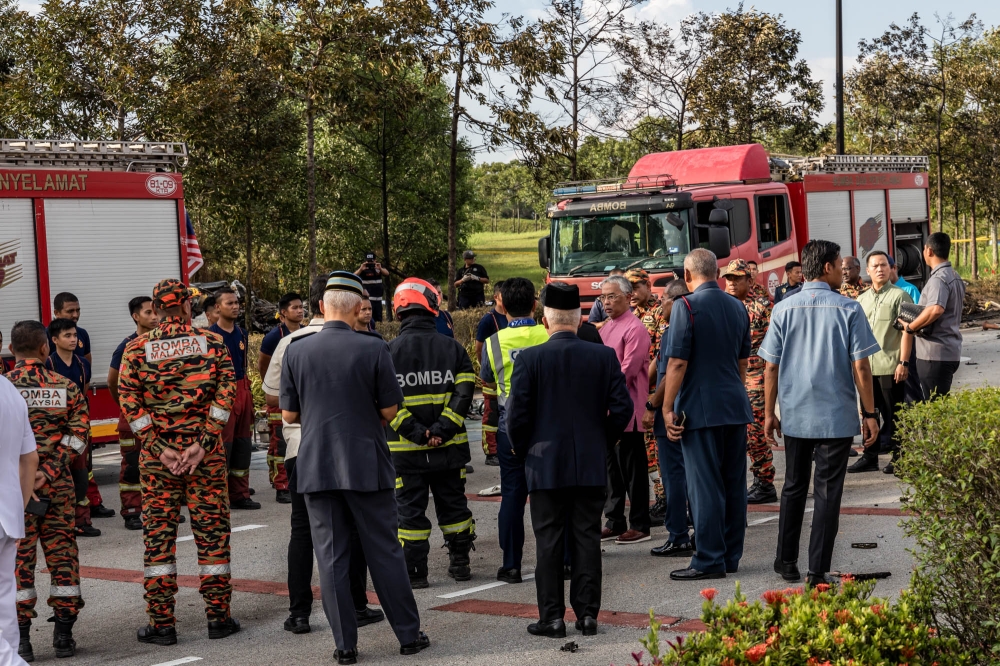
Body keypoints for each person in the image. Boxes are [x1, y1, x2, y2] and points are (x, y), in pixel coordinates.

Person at [280, 271, 429, 664]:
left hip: (316, 465)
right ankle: (408, 636)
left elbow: (289, 414)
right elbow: (390, 410)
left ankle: (345, 646)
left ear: (321, 307)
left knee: (330, 558)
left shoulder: (296, 350)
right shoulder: (373, 347)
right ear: (357, 307)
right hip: (365, 462)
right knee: (384, 552)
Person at [506, 282, 632, 639]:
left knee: (548, 541)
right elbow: (622, 409)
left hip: (544, 463)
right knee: (587, 538)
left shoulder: (530, 359)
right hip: (589, 462)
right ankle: (588, 615)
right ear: (579, 320)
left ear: (545, 321)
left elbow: (516, 417)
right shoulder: (603, 356)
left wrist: (525, 450)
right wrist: (601, 441)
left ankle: (552, 618)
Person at [118, 278, 240, 645]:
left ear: (156, 308)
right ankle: (218, 618)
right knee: (212, 535)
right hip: (206, 459)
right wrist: (203, 444)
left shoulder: (136, 349)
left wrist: (157, 447)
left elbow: (129, 403)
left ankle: (162, 625)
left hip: (160, 464)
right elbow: (225, 395)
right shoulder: (213, 343)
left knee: (158, 539)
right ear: (187, 306)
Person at [263, 276, 384, 637]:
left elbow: (272, 397)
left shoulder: (290, 343)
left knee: (302, 531)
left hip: (301, 449)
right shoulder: (361, 340)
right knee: (355, 529)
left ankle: (299, 613)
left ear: (316, 305)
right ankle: (357, 605)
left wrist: (306, 400)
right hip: (350, 448)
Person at [760, 240, 880, 586]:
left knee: (793, 486)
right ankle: (817, 571)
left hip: (796, 414)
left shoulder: (783, 308)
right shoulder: (849, 308)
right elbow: (861, 367)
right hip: (835, 417)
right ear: (827, 267)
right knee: (828, 493)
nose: (843, 272)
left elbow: (771, 367)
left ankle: (786, 561)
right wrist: (869, 413)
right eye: (840, 266)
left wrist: (769, 413)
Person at [656, 249, 753, 581]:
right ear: (717, 273)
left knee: (705, 486)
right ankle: (729, 555)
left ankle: (709, 558)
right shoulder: (738, 307)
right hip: (734, 404)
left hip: (699, 408)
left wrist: (666, 408)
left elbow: (677, 363)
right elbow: (742, 363)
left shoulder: (686, 306)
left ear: (686, 275)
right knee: (733, 484)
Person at [387, 278, 476, 588]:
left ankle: (415, 573)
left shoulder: (387, 352)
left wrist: (417, 434)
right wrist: (441, 431)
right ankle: (460, 564)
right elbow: (464, 395)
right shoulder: (453, 348)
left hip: (406, 453)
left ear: (399, 311)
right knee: (454, 507)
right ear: (432, 308)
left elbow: (385, 404)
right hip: (448, 449)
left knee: (409, 512)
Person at [7, 321, 88, 661]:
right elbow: (79, 437)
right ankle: (64, 638)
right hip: (58, 489)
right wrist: (49, 471)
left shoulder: (4, 388)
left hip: (13, 491)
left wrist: (24, 475)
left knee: (17, 562)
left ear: (10, 350)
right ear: (45, 348)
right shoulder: (66, 387)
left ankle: (21, 642)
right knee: (63, 557)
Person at [481, 278, 549, 584]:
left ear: (502, 305)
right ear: (535, 304)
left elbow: (488, 382)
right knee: (550, 496)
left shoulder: (494, 342)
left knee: (512, 496)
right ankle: (559, 561)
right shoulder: (548, 334)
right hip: (547, 428)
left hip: (510, 428)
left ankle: (511, 565)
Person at [598, 275, 651, 545]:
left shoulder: (635, 329)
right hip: (607, 410)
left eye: (612, 296)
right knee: (612, 470)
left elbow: (627, 371)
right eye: (603, 297)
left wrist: (600, 391)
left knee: (633, 471)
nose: (606, 302)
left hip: (627, 410)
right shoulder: (606, 328)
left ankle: (640, 523)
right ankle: (614, 520)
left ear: (628, 297)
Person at [851, 251, 914, 476]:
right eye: (875, 266)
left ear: (891, 268)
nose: (880, 269)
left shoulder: (900, 296)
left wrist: (903, 362)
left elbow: (907, 332)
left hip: (890, 366)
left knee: (894, 414)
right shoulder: (861, 299)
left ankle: (900, 457)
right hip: (866, 369)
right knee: (869, 414)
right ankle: (870, 457)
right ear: (867, 270)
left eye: (884, 265)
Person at [646, 279, 696, 559]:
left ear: (675, 302)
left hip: (672, 413)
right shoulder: (689, 326)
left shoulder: (673, 331)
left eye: (663, 299)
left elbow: (668, 376)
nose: (659, 305)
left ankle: (677, 535)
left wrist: (652, 405)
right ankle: (697, 532)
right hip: (692, 410)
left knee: (674, 476)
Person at [46, 318, 108, 537]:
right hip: (56, 429)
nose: (73, 339)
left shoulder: (83, 364)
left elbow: (83, 391)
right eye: (67, 336)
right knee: (59, 474)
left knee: (81, 473)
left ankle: (82, 520)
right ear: (54, 340)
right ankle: (61, 522)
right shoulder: (48, 364)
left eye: (74, 335)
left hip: (78, 428)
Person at [722, 260, 776, 504]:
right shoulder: (722, 304)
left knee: (755, 432)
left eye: (738, 279)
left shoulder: (762, 307)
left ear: (750, 280)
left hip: (756, 376)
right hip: (728, 375)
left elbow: (773, 345)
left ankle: (764, 482)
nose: (732, 283)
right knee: (733, 433)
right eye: (729, 279)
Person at [108, 296, 160, 530]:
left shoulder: (161, 343)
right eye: (148, 312)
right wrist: (127, 407)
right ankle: (132, 511)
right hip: (133, 417)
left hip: (158, 416)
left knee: (159, 465)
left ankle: (158, 509)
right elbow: (113, 381)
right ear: (135, 316)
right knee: (132, 465)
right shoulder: (126, 346)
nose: (154, 317)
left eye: (156, 312)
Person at [0, 370, 39, 666]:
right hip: (8, 514)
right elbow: (29, 459)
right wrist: (18, 508)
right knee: (4, 603)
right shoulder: (10, 391)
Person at [899, 233, 965, 400]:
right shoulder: (954, 276)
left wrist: (911, 327)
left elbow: (936, 309)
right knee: (939, 402)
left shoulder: (938, 279)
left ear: (928, 251)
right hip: (949, 351)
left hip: (934, 354)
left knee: (935, 406)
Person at [210, 287, 259, 510]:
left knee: (243, 444)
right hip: (221, 393)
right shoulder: (209, 337)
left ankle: (240, 494)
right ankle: (218, 495)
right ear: (217, 307)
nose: (235, 306)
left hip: (242, 389)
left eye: (237, 302)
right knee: (223, 446)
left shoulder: (242, 333)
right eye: (229, 303)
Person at [625, 269, 667, 519]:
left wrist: (641, 381)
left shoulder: (660, 313)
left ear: (648, 286)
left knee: (657, 449)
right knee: (648, 451)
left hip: (655, 392)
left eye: (635, 287)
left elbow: (662, 356)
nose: (631, 293)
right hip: (639, 393)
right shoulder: (634, 314)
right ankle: (661, 498)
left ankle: (666, 499)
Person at [258, 292, 304, 505]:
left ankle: (283, 478)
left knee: (287, 442)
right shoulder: (273, 337)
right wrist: (273, 392)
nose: (300, 311)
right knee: (280, 444)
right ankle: (281, 486)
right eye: (295, 307)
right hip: (280, 398)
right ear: (283, 313)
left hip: (299, 397)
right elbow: (264, 366)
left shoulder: (306, 332)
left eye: (301, 307)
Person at [475, 282, 506, 467]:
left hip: (506, 376)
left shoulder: (510, 316)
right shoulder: (489, 320)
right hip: (492, 377)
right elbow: (479, 349)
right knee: (491, 415)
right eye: (503, 295)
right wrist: (486, 370)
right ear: (496, 297)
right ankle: (491, 452)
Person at [890, 257, 922, 403]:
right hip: (890, 348)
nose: (880, 270)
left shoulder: (909, 290)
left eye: (884, 266)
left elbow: (918, 318)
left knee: (911, 387)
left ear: (894, 268)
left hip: (908, 343)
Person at [51, 293, 91, 363]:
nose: (75, 315)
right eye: (70, 311)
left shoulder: (82, 333)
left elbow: (87, 364)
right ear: (56, 313)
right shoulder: (45, 336)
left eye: (77, 310)